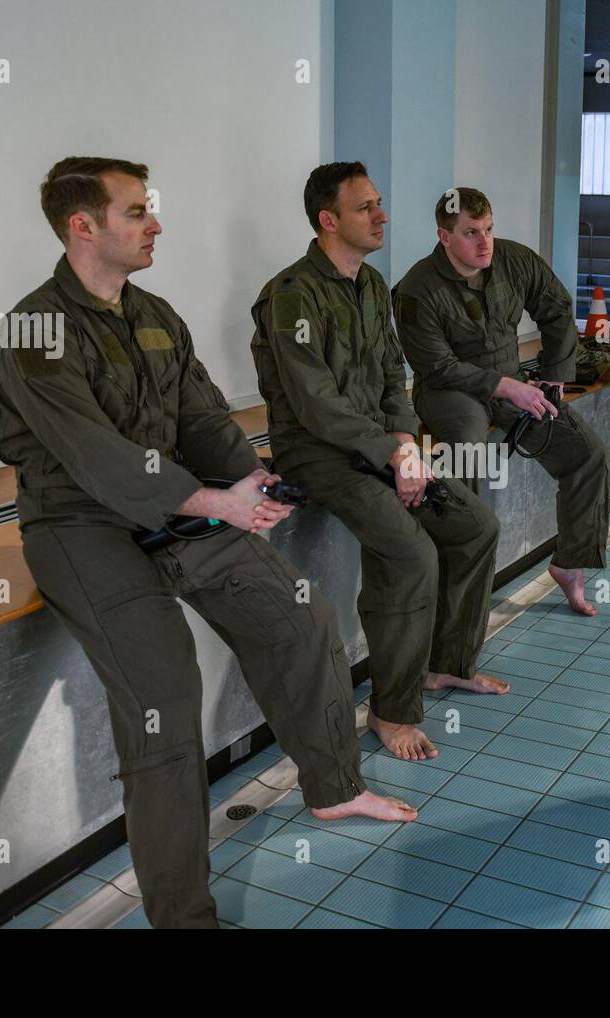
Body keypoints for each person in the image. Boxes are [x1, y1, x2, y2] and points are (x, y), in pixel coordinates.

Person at [0, 157, 414, 928]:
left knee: (298, 616)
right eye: (137, 212)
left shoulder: (155, 315)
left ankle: (334, 786)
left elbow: (206, 420)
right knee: (164, 696)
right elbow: (93, 456)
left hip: (178, 505)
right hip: (80, 524)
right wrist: (213, 499)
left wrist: (255, 484)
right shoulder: (31, 330)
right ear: (84, 226)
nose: (155, 225)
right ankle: (183, 917)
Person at [250, 162, 506, 764]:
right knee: (410, 552)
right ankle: (391, 708)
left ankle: (447, 664)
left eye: (379, 203)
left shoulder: (370, 286)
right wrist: (393, 452)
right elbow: (316, 403)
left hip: (381, 449)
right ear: (328, 219)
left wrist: (406, 442)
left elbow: (394, 375)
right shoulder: (291, 296)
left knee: (475, 526)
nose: (382, 216)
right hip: (320, 455)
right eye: (366, 207)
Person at [393, 187, 609, 616]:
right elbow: (438, 367)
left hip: (512, 384)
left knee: (587, 454)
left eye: (489, 229)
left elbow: (556, 307)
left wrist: (554, 373)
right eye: (471, 232)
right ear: (444, 236)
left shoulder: (512, 259)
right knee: (469, 452)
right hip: (452, 392)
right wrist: (509, 387)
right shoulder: (417, 289)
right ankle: (459, 591)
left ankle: (570, 563)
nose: (484, 241)